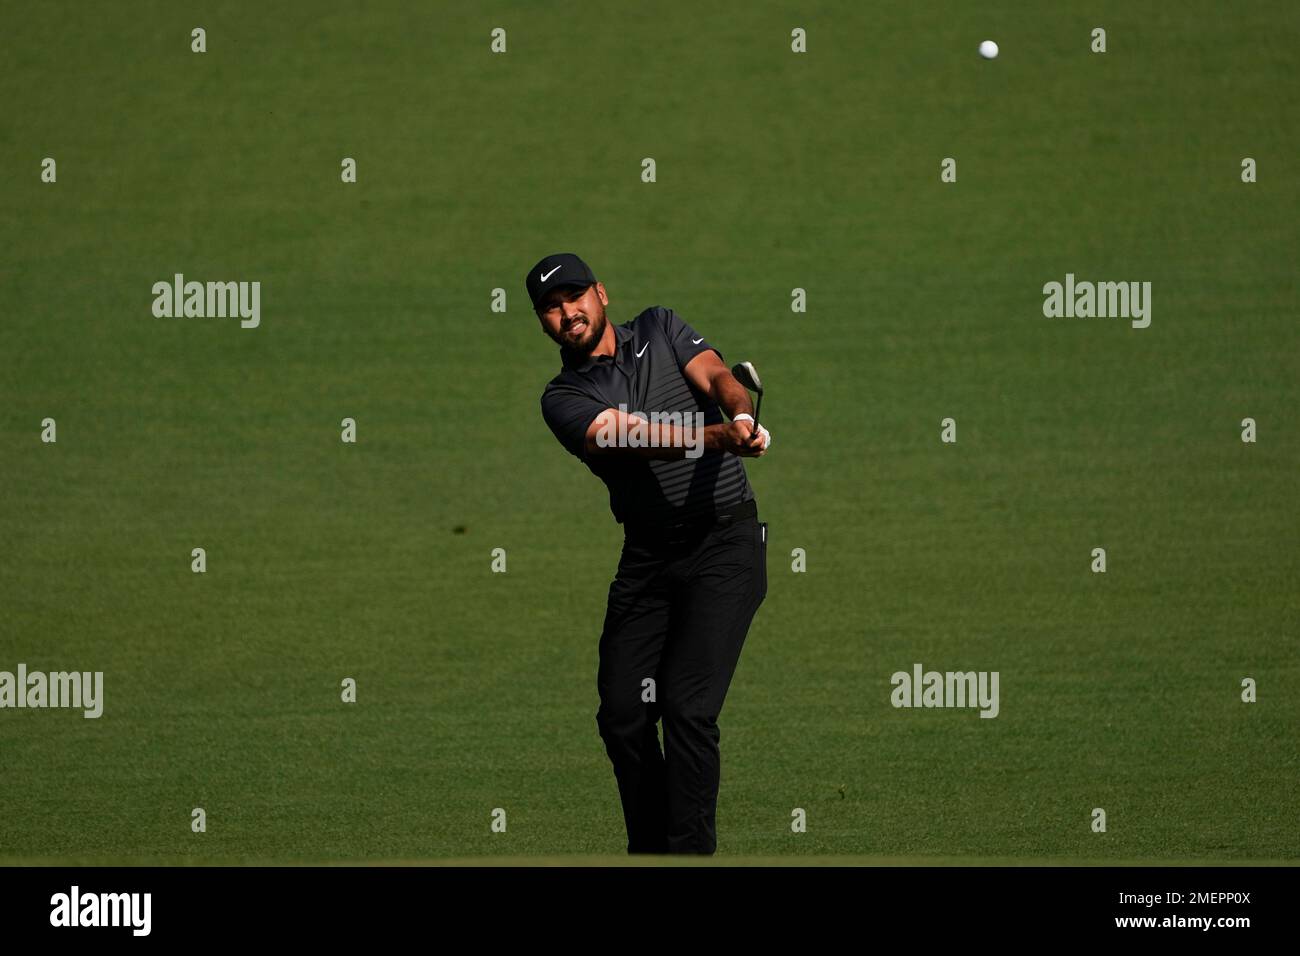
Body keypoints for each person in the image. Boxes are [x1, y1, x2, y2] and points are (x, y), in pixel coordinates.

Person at [526, 252, 770, 855]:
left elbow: (717, 375)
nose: (567, 313)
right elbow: (632, 437)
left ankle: (686, 853)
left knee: (688, 708)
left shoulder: (660, 327)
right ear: (541, 321)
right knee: (622, 714)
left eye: (575, 297)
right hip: (649, 559)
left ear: (601, 293)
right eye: (551, 308)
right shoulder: (563, 397)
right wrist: (720, 436)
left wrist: (739, 411)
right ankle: (653, 849)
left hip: (724, 545)